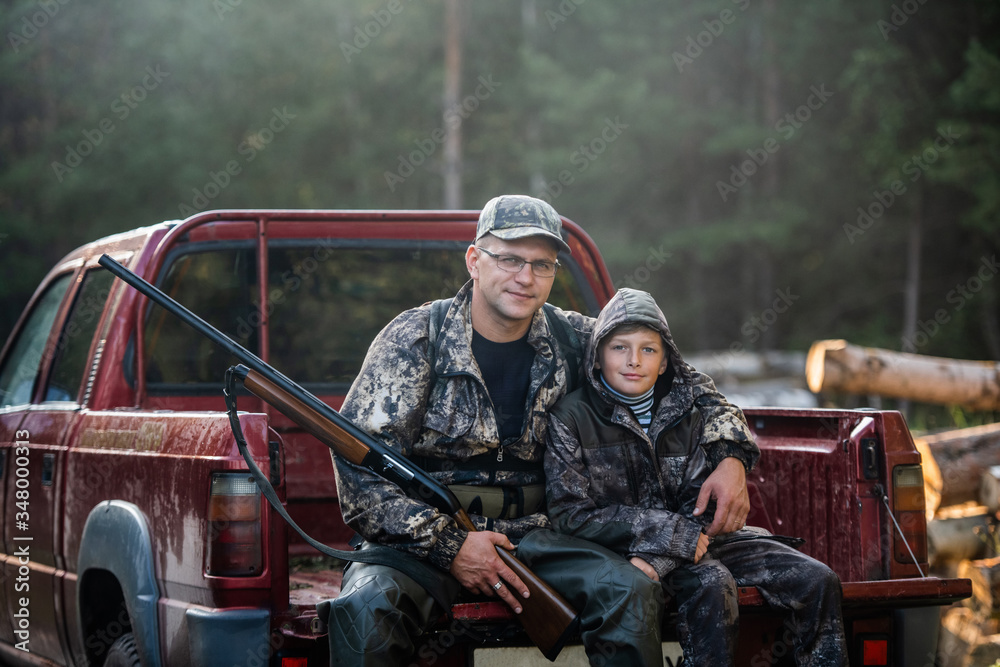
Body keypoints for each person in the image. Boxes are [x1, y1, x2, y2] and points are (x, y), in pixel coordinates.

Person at [326, 194, 756, 666]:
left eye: (543, 264)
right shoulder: (415, 338)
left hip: (541, 532)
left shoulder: (578, 338)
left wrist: (731, 456)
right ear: (474, 260)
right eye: (509, 259)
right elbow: (360, 471)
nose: (526, 277)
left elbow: (690, 387)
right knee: (367, 608)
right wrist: (451, 546)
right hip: (426, 536)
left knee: (627, 590)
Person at [544, 286, 849, 665]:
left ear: (665, 360)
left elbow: (703, 500)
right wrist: (666, 541)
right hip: (623, 554)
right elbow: (569, 513)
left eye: (648, 349)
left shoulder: (690, 409)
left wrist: (664, 557)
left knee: (818, 580)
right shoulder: (570, 418)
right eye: (619, 347)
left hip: (705, 539)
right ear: (598, 354)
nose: (634, 360)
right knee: (712, 583)